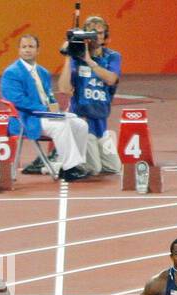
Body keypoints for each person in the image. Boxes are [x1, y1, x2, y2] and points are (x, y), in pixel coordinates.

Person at [0, 34, 92, 181]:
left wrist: (55, 110)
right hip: (26, 119)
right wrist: (44, 110)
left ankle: (74, 165)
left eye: (31, 47)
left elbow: (49, 97)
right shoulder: (11, 73)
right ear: (18, 50)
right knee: (60, 126)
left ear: (38, 50)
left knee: (80, 124)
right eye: (24, 47)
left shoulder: (43, 72)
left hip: (47, 115)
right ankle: (70, 169)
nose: (27, 50)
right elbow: (17, 100)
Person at [56, 15, 122, 177]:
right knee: (94, 169)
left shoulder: (113, 57)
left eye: (100, 33)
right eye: (92, 33)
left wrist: (89, 61)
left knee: (114, 167)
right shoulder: (76, 59)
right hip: (82, 120)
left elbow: (111, 79)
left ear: (105, 36)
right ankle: (55, 162)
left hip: (100, 119)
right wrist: (68, 57)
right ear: (84, 36)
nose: (96, 37)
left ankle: (65, 155)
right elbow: (64, 89)